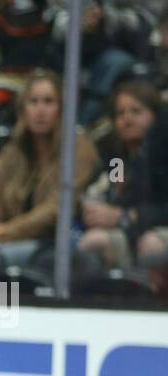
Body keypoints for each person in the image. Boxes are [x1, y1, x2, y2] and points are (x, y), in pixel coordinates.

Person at [0, 68, 99, 278]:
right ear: (23, 109)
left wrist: (5, 231)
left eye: (48, 102)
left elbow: (57, 208)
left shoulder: (78, 149)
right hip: (10, 241)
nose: (40, 110)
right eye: (33, 102)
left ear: (61, 109)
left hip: (58, 244)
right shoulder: (13, 152)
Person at [80, 79, 162, 271]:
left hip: (156, 230)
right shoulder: (117, 160)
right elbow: (114, 200)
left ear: (156, 117)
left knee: (151, 244)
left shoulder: (162, 157)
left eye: (136, 111)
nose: (127, 119)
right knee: (90, 241)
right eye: (120, 113)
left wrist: (124, 217)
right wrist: (95, 208)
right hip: (129, 232)